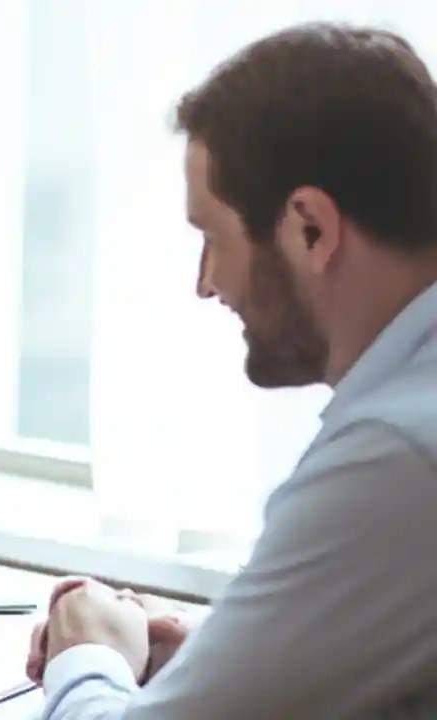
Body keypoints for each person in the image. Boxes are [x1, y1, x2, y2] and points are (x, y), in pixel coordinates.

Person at [26, 22, 437, 718]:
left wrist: (85, 653)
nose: (206, 283)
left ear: (311, 228)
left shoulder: (395, 460)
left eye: (213, 238)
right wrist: (224, 660)